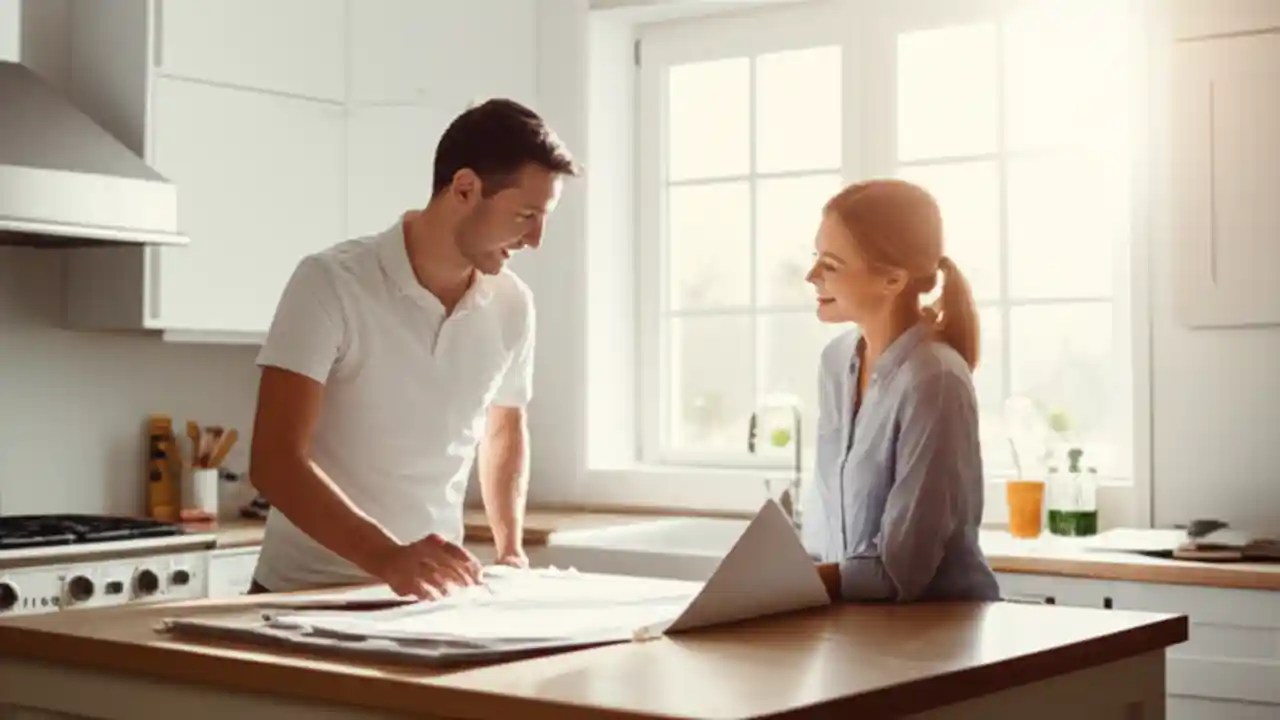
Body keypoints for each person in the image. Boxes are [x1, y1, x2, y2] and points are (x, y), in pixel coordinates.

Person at [247, 99, 580, 599]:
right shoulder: (330, 282)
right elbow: (274, 461)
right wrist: (386, 557)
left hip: (429, 597)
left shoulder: (513, 304)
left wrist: (510, 547)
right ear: (465, 189)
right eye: (526, 215)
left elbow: (503, 429)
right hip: (303, 595)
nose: (535, 239)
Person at [802, 178, 999, 603]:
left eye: (830, 265)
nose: (811, 276)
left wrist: (784, 585)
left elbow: (900, 570)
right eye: (816, 257)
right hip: (859, 628)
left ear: (892, 280)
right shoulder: (836, 363)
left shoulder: (935, 380)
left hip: (936, 635)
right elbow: (829, 527)